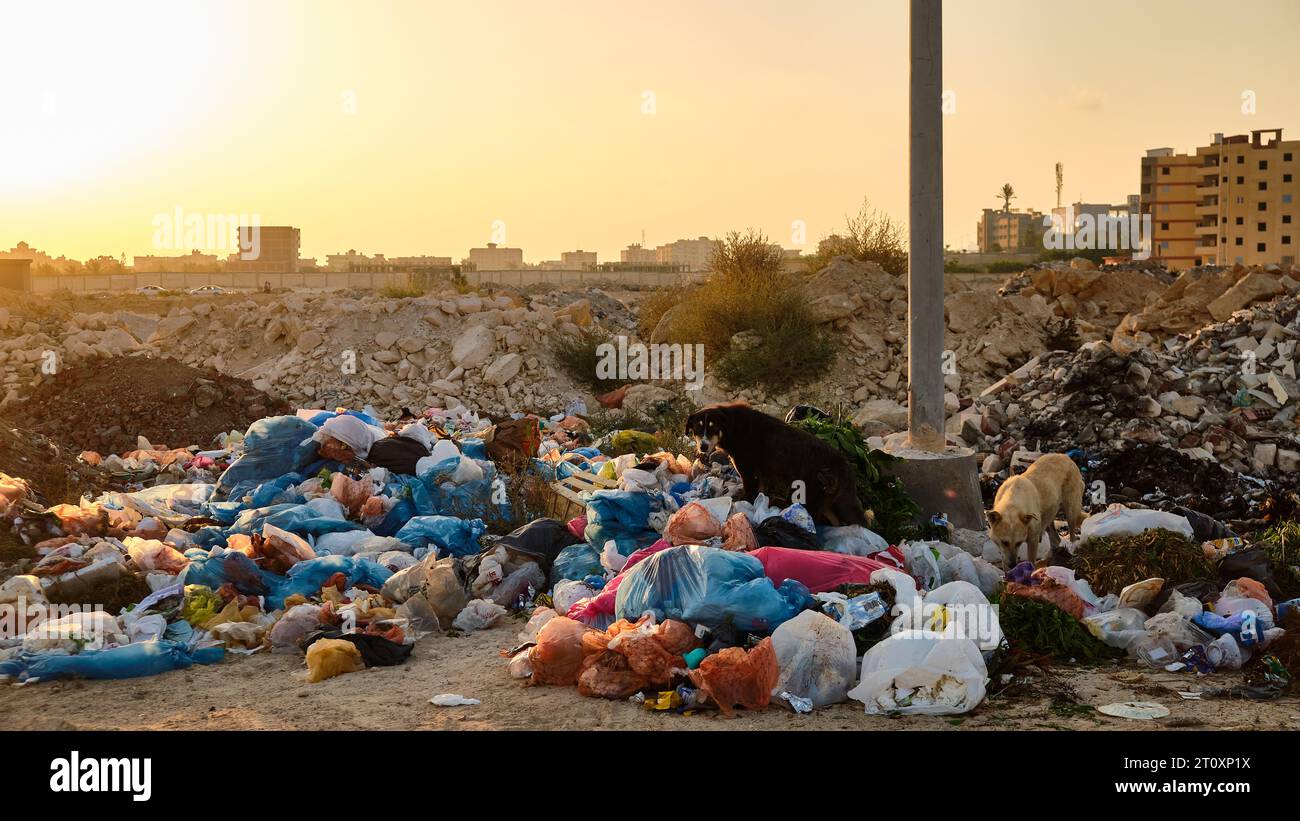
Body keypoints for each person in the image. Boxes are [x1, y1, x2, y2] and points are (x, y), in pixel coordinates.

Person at [311, 414, 431, 475]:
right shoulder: (379, 443)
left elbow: (373, 478)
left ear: (347, 445)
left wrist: (348, 459)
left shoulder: (377, 455)